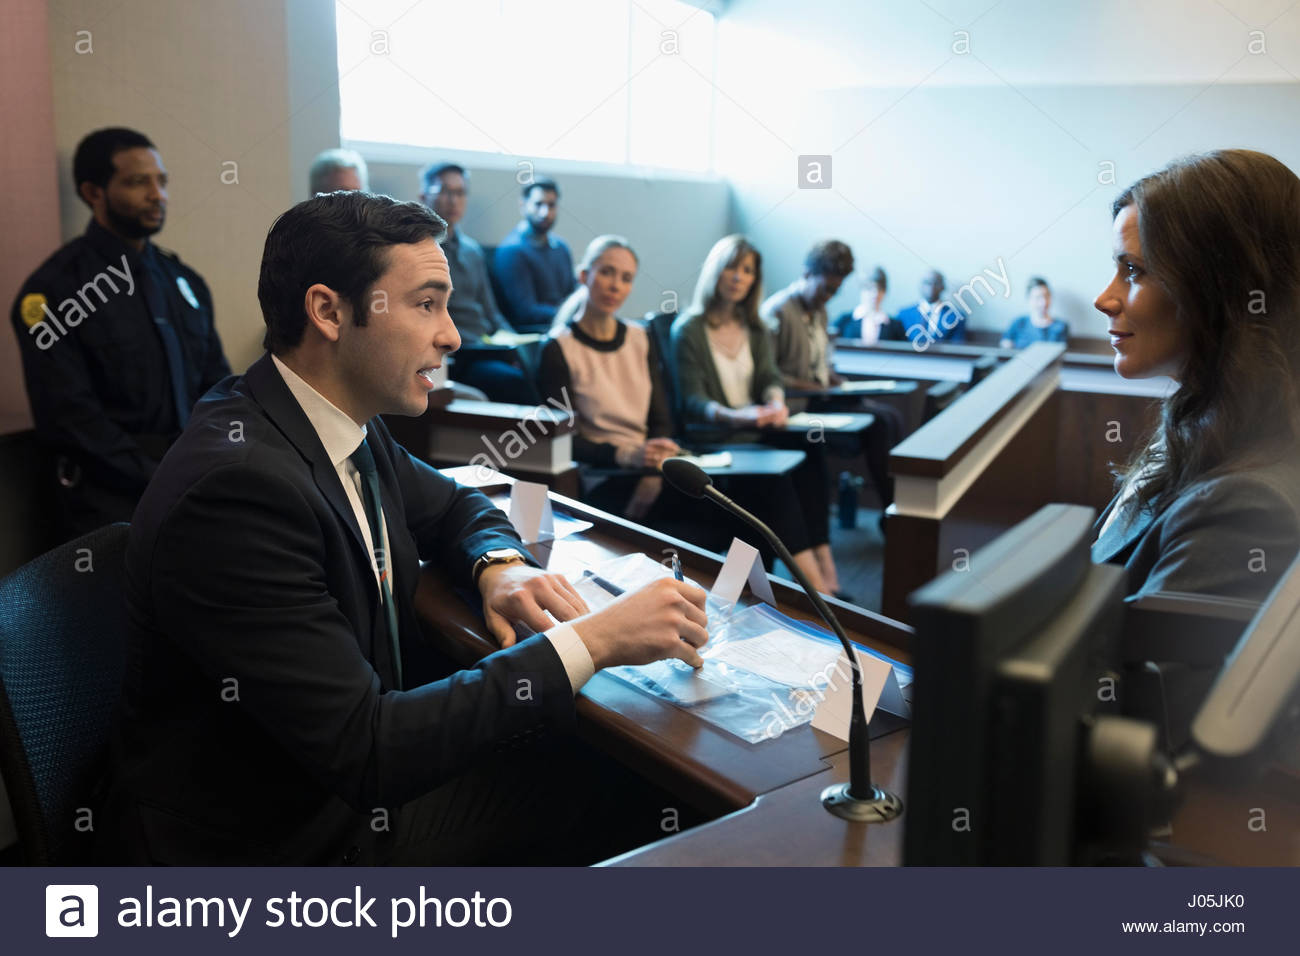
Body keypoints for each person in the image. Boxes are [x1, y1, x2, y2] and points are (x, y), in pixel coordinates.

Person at [97, 192, 710, 865]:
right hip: (280, 841)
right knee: (628, 790)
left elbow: (456, 506)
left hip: (334, 781)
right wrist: (596, 639)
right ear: (329, 312)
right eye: (426, 304)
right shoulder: (237, 492)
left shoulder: (334, 418)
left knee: (582, 755)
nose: (451, 336)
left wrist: (500, 568)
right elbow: (370, 753)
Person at [1091, 149, 1300, 603]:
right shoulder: (1203, 420)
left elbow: (1132, 650)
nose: (1104, 299)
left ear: (1221, 287)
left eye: (1133, 270)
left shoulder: (1245, 506)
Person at [9, 127, 231, 538]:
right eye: (137, 182)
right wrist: (161, 476)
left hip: (194, 485)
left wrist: (215, 461)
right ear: (93, 192)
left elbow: (217, 386)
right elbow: (69, 418)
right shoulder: (55, 290)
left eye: (162, 181)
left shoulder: (183, 281)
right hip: (106, 503)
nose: (157, 195)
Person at [672, 235, 843, 596]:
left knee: (811, 449)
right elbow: (694, 402)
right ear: (716, 270)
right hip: (716, 438)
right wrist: (738, 417)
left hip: (755, 432)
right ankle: (818, 593)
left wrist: (776, 402)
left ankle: (826, 568)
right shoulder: (688, 329)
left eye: (748, 271)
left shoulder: (756, 327)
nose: (739, 277)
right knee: (775, 479)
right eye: (732, 268)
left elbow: (770, 378)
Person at [763, 241, 904, 515]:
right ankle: (892, 513)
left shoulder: (820, 312)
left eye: (835, 291)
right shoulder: (776, 311)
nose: (829, 297)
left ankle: (899, 510)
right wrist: (815, 386)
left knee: (891, 417)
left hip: (820, 397)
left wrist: (834, 379)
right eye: (825, 288)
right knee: (879, 424)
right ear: (807, 274)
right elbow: (768, 377)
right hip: (797, 406)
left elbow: (820, 366)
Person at [420, 162, 539, 404]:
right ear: (424, 197)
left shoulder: (472, 251)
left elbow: (491, 312)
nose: (453, 200)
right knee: (512, 382)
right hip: (455, 353)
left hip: (485, 347)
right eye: (445, 191)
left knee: (540, 367)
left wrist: (516, 345)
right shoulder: (419, 250)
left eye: (460, 193)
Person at [492, 178, 576, 332]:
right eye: (538, 204)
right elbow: (525, 312)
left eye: (551, 205)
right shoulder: (512, 251)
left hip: (564, 327)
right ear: (523, 205)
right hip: (534, 333)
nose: (545, 213)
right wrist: (573, 314)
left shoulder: (561, 248)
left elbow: (573, 295)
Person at [895, 269, 965, 345]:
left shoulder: (955, 317)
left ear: (943, 287)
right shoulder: (903, 314)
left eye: (936, 283)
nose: (932, 287)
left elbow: (956, 348)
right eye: (927, 282)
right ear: (921, 286)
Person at [834, 266, 903, 343]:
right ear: (862, 289)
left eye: (880, 289)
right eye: (869, 288)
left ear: (884, 292)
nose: (875, 293)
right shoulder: (844, 321)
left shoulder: (895, 326)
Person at [1000, 277, 1069, 348]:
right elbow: (1005, 344)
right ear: (1029, 299)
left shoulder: (1060, 326)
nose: (1043, 302)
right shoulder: (1019, 323)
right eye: (1038, 297)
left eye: (1046, 296)